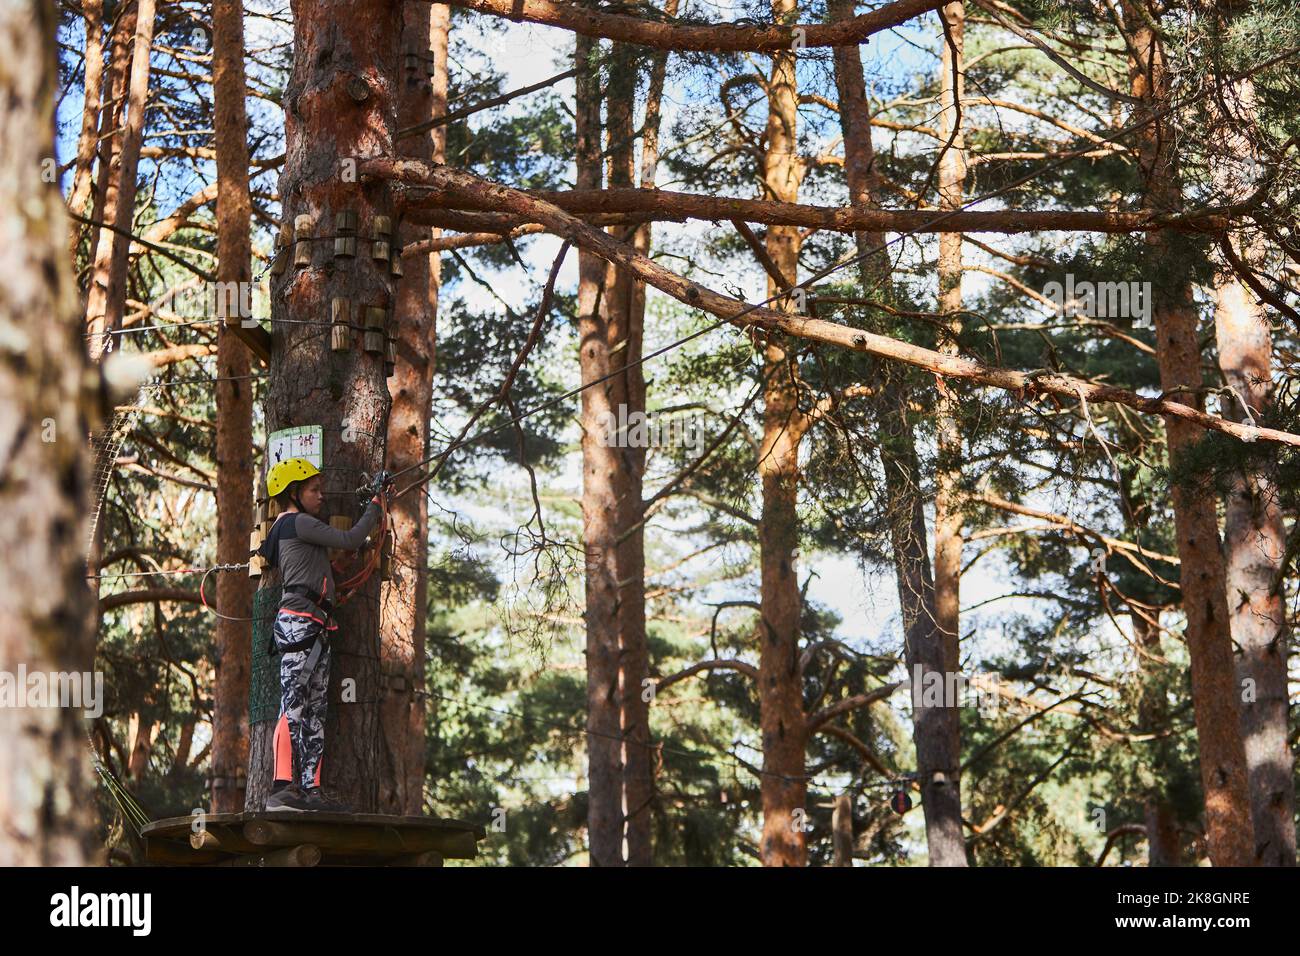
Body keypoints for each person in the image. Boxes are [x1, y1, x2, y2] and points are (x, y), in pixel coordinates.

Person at [257, 456, 389, 812]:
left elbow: (317, 565)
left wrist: (333, 570)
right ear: (294, 493)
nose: (322, 496)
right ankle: (282, 787)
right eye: (314, 490)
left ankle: (310, 790)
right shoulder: (297, 522)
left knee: (315, 709)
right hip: (301, 624)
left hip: (316, 627)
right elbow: (350, 537)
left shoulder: (292, 531)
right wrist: (376, 505)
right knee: (294, 705)